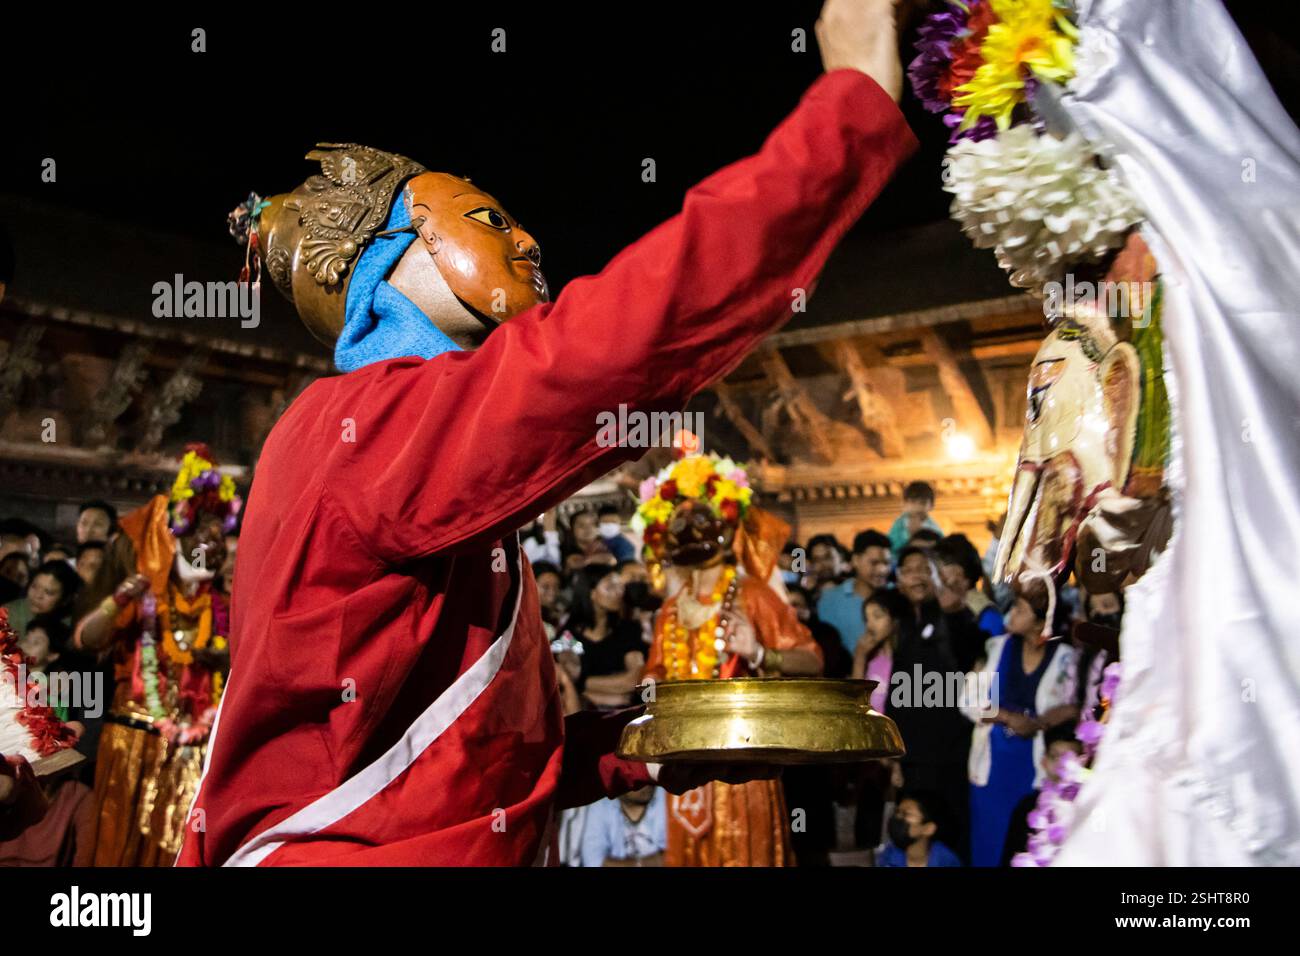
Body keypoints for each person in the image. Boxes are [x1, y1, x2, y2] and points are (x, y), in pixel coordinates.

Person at [178, 0, 914, 867]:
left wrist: (640, 741)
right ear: (390, 259)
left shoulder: (397, 436)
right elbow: (622, 341)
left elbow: (457, 773)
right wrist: (847, 114)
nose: (527, 240)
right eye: (486, 220)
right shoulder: (366, 427)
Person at [639, 454, 824, 866]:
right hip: (683, 765)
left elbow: (812, 660)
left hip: (741, 763)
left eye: (701, 514)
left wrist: (758, 653)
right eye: (679, 516)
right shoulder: (670, 609)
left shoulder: (752, 595)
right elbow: (654, 676)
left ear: (726, 524)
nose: (689, 525)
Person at [75, 444, 238, 866]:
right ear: (184, 537)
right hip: (131, 744)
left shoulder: (222, 607)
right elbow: (87, 639)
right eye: (208, 538)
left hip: (189, 755)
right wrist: (115, 602)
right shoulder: (148, 595)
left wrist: (224, 661)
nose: (216, 549)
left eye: (222, 540)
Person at [963, 591, 1079, 867]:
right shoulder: (996, 647)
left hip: (1036, 763)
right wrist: (1006, 717)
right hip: (993, 763)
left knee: (1026, 841)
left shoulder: (1066, 658)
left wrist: (1043, 721)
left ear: (1041, 623)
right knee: (988, 842)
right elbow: (967, 700)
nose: (1010, 614)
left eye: (1019, 609)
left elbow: (1073, 708)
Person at [888, 545, 985, 859]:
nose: (916, 576)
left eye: (923, 569)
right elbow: (897, 696)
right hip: (912, 758)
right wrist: (895, 756)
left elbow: (972, 654)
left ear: (937, 576)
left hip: (950, 757)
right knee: (910, 840)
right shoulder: (900, 625)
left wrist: (953, 612)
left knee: (949, 837)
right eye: (908, 570)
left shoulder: (955, 618)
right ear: (899, 581)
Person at [557, 564, 646, 711]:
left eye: (620, 586)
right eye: (610, 587)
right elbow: (567, 681)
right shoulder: (568, 636)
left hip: (625, 715)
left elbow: (634, 679)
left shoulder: (628, 630)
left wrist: (584, 685)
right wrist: (612, 695)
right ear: (591, 593)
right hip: (584, 718)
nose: (619, 592)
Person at [999, 722, 1083, 866]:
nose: (1061, 766)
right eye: (1055, 757)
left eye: (1069, 759)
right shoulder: (1028, 807)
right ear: (1044, 762)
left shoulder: (1088, 807)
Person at [817, 528, 891, 657]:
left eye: (886, 563)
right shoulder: (830, 600)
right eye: (874, 563)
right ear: (856, 560)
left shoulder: (896, 596)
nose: (882, 570)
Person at [935, 533, 1003, 639]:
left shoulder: (986, 614)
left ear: (960, 570)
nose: (936, 573)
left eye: (941, 565)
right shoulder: (940, 606)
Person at [579, 785, 667, 867]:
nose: (647, 782)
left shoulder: (666, 796)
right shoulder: (601, 803)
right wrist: (644, 863)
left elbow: (675, 857)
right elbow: (593, 861)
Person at [877, 792, 962, 867]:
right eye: (897, 812)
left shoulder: (946, 861)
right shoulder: (886, 856)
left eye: (906, 814)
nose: (898, 817)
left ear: (928, 829)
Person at [2, 559, 81, 636]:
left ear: (66, 599)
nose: (38, 595)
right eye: (34, 586)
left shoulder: (74, 626)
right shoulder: (7, 613)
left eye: (48, 592)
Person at [888, 481, 943, 558]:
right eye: (913, 502)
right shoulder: (899, 525)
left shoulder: (934, 527)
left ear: (931, 505)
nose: (917, 507)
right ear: (904, 504)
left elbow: (941, 547)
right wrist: (910, 536)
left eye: (922, 503)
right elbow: (892, 548)